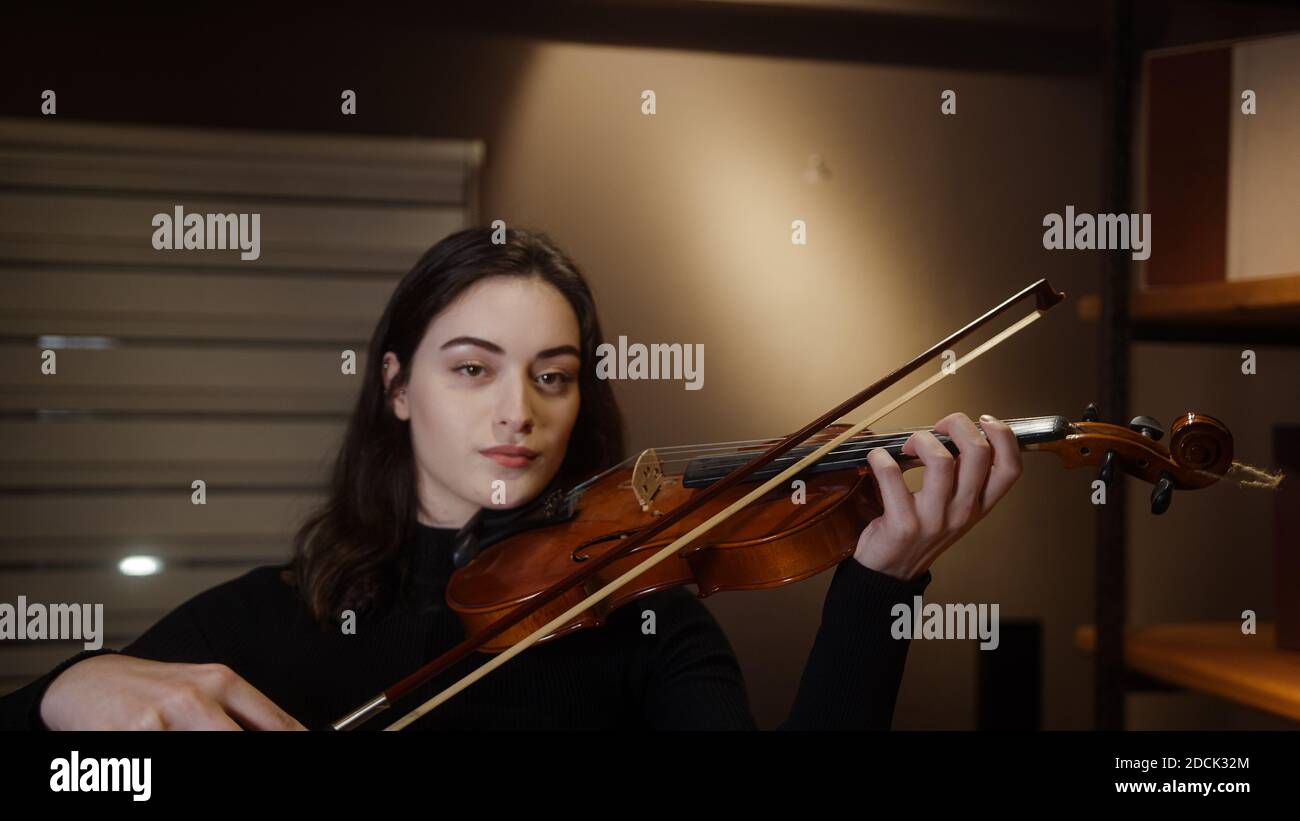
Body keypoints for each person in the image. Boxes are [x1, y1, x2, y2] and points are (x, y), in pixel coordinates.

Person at [0, 226, 1022, 731]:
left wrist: (877, 588)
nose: (516, 411)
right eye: (472, 366)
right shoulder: (261, 621)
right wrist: (57, 691)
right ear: (397, 387)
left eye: (553, 375)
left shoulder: (646, 618)